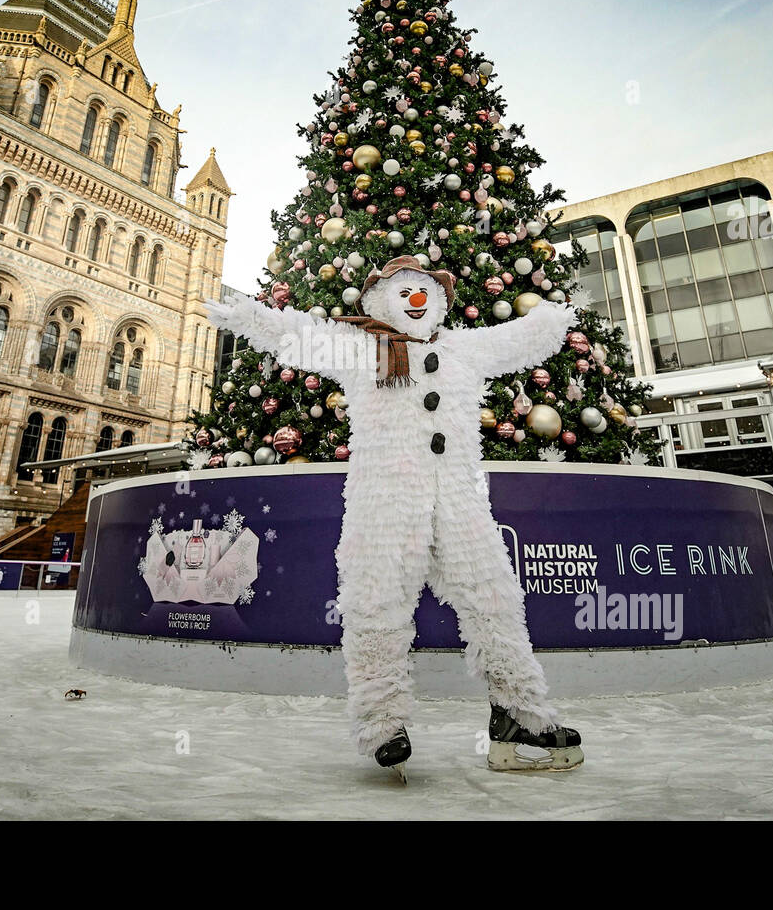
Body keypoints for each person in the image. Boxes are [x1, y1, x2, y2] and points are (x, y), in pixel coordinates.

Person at [207, 256, 584, 778]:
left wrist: (552, 318)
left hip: (459, 501)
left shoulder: (461, 351)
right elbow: (300, 334)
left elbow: (515, 338)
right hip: (384, 504)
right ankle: (382, 722)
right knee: (376, 604)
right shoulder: (361, 350)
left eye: (425, 288)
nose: (415, 298)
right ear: (379, 301)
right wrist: (250, 317)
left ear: (441, 299)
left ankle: (520, 713)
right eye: (403, 289)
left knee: (495, 600)